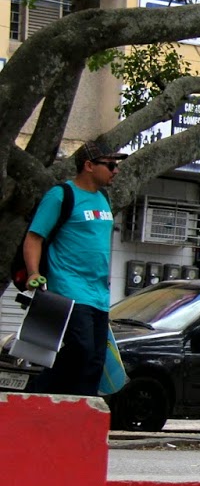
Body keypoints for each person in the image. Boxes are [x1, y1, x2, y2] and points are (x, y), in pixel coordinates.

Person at [21, 140, 122, 396]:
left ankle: (80, 409)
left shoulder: (103, 198)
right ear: (89, 165)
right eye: (111, 165)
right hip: (69, 288)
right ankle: (36, 391)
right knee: (81, 349)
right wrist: (33, 272)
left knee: (95, 362)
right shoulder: (61, 195)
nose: (116, 170)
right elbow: (34, 237)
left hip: (99, 294)